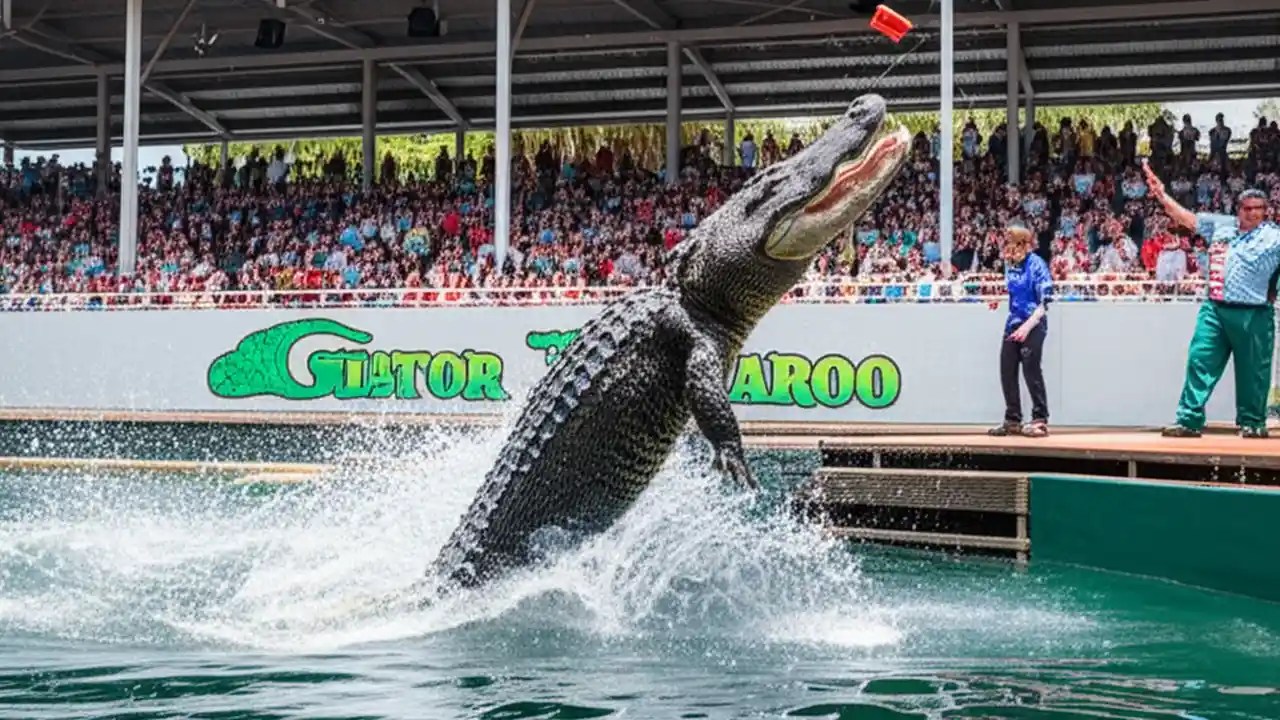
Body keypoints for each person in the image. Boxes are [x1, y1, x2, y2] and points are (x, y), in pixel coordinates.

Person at [1143, 159, 1280, 439]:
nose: (1252, 214)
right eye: (1247, 208)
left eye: (1258, 209)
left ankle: (1253, 422)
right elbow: (1185, 218)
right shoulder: (1223, 226)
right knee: (1200, 360)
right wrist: (1160, 194)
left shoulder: (1274, 236)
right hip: (1215, 307)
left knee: (1254, 370)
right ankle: (1189, 419)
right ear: (1237, 209)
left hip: (1254, 312)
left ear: (1266, 212)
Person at [989, 224, 1053, 438]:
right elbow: (1013, 291)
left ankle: (1040, 418)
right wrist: (998, 299)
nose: (1005, 246)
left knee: (1030, 367)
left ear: (1021, 244)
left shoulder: (1036, 265)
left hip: (1034, 322)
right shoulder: (1010, 265)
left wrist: (1027, 327)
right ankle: (1013, 418)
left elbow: (1044, 303)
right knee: (1006, 368)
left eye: (1008, 242)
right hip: (1013, 322)